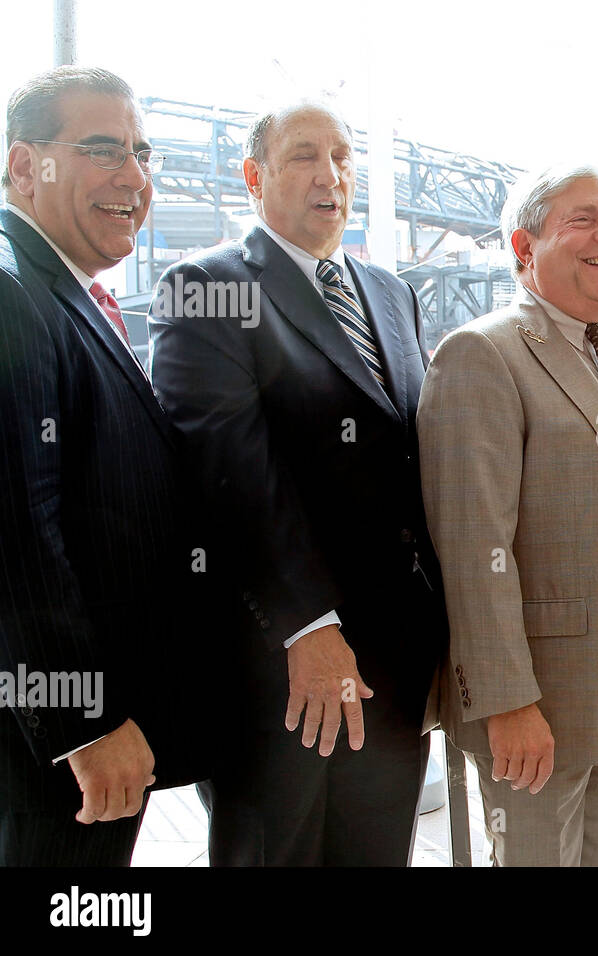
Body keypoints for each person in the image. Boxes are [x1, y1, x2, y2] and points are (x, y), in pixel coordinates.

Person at [148, 101, 446, 866]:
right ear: (254, 177)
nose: (332, 175)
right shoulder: (206, 288)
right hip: (281, 662)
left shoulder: (390, 292)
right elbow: (229, 471)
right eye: (305, 155)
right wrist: (307, 627)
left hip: (396, 657)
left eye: (343, 157)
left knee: (376, 852)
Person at [419, 166, 598, 866]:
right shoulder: (482, 355)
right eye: (582, 219)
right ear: (524, 247)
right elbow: (472, 545)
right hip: (537, 715)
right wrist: (506, 703)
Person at [0, 66, 206, 865]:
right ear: (25, 166)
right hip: (58, 747)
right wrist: (81, 724)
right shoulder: (14, 293)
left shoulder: (66, 291)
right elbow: (15, 533)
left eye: (143, 152)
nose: (135, 177)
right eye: (102, 149)